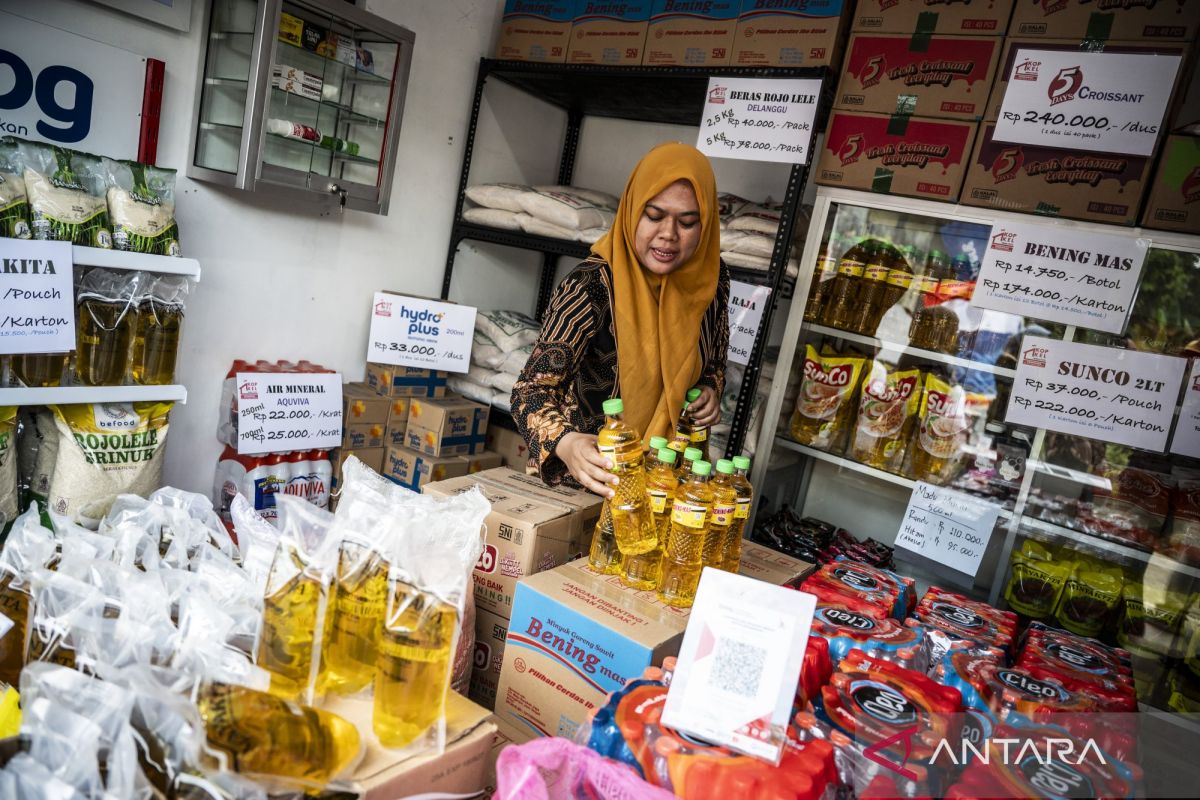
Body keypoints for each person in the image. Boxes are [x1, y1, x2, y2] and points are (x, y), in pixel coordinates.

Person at [511, 142, 729, 497]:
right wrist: (566, 443)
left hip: (666, 484)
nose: (669, 234)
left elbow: (715, 359)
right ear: (631, 212)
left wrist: (709, 389)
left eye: (688, 222)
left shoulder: (711, 281)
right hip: (590, 482)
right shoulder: (592, 287)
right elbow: (530, 392)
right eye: (654, 216)